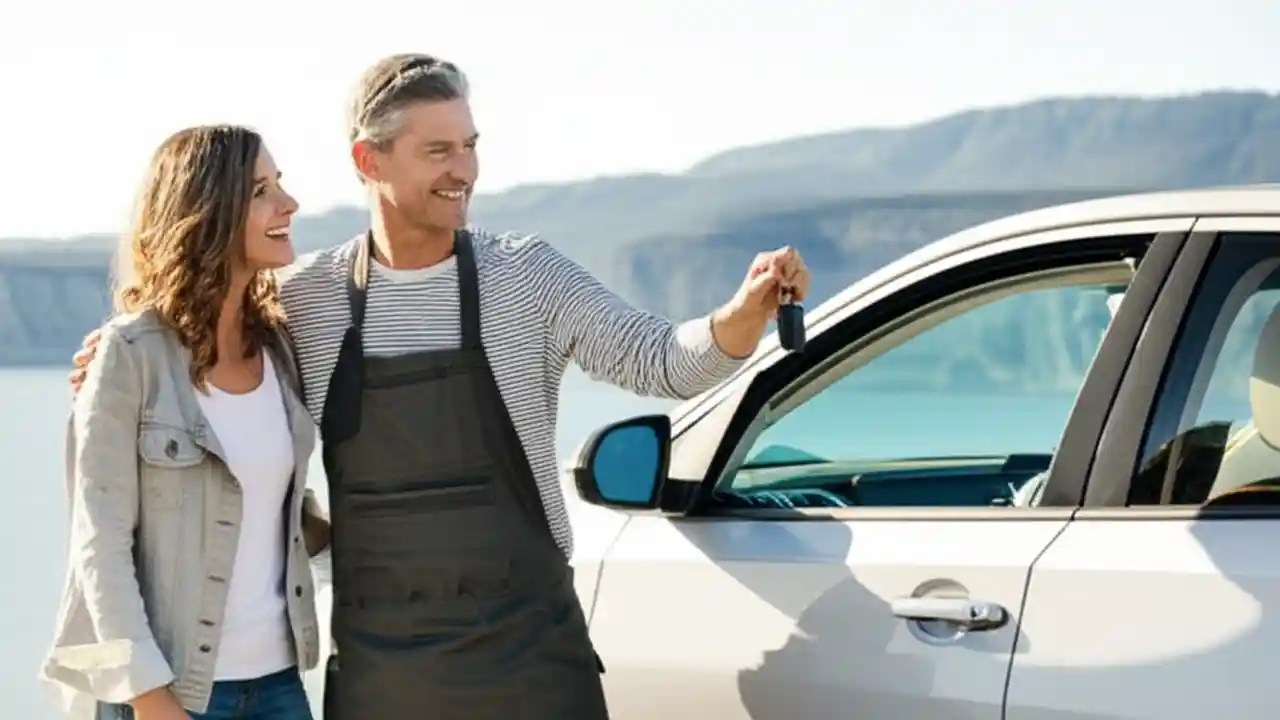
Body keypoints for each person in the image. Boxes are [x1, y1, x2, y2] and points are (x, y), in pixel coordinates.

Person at [69, 53, 811, 718]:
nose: (465, 171)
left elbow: (662, 362)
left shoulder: (526, 275)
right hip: (383, 671)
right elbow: (204, 343)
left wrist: (743, 312)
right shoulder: (307, 301)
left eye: (470, 146)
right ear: (369, 160)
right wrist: (123, 352)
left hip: (531, 656)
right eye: (438, 151)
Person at [46, 125, 329, 720]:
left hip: (279, 685)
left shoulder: (279, 347)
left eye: (280, 184)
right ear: (208, 211)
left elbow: (278, 509)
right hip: (176, 690)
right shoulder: (131, 355)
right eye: (261, 191)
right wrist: (151, 700)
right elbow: (100, 545)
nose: (289, 203)